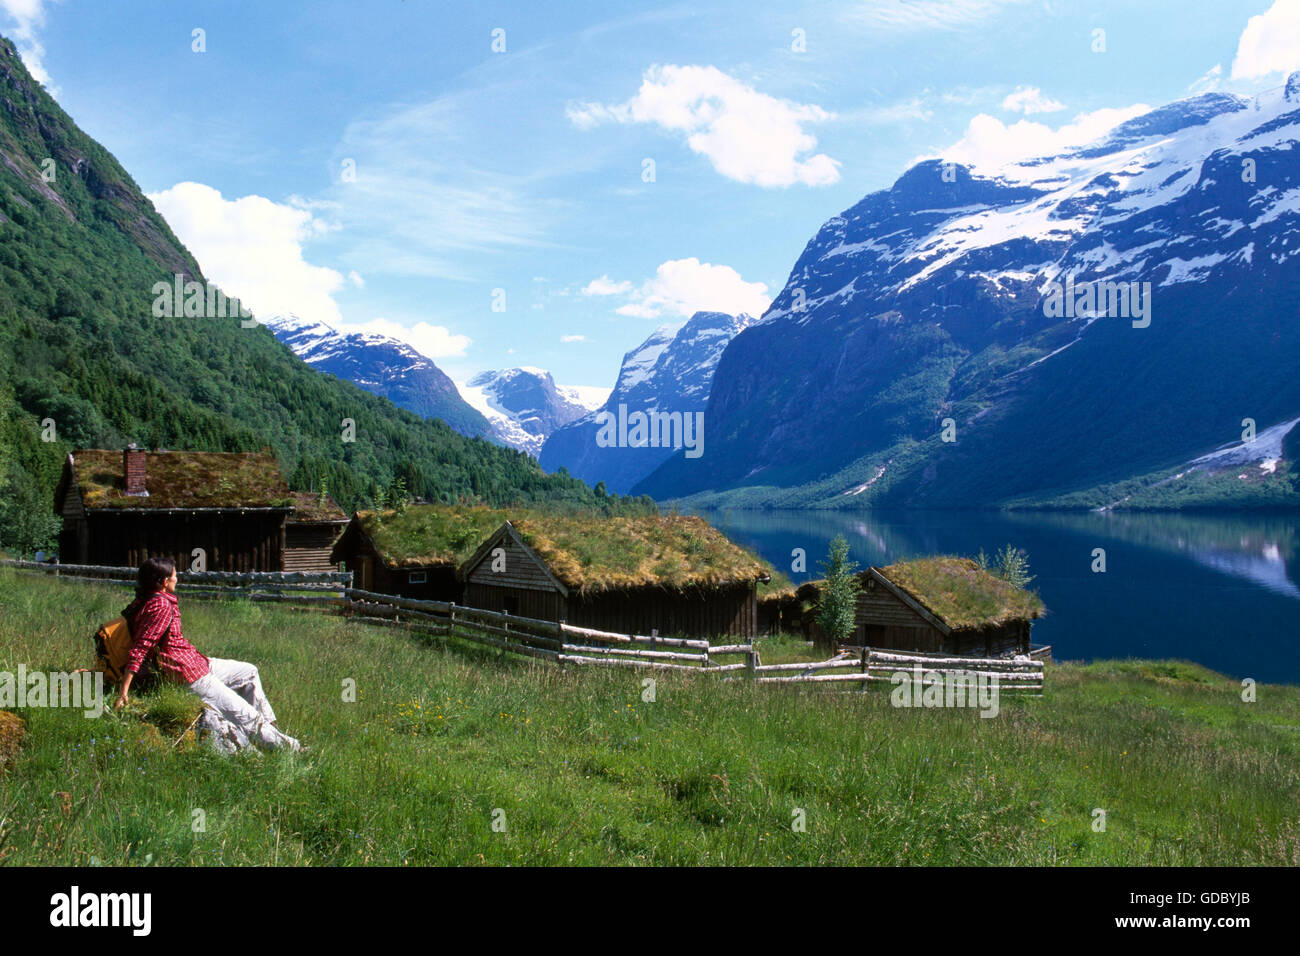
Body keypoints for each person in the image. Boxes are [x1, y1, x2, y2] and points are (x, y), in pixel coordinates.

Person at [115, 556, 303, 753]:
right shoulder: (160, 606)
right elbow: (140, 648)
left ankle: (272, 731)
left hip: (197, 663)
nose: (177, 579)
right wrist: (124, 692)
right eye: (174, 576)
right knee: (247, 716)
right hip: (188, 675)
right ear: (163, 582)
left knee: (249, 672)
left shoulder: (145, 599)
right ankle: (291, 750)